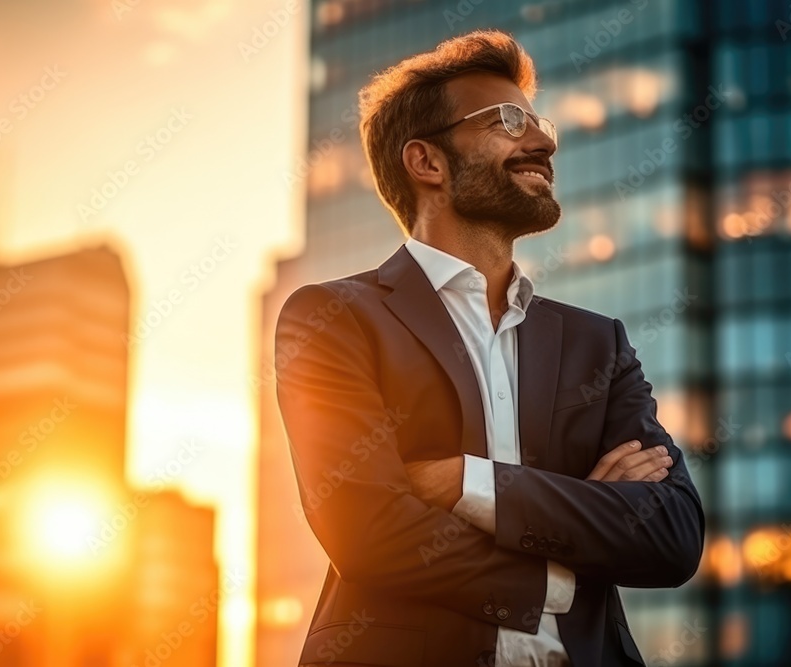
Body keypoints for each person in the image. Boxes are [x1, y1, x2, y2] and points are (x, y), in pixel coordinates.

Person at [275, 29, 705, 667]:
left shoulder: (597, 343)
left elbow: (672, 535)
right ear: (427, 163)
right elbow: (367, 531)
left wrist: (464, 482)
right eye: (507, 121)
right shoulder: (333, 319)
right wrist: (573, 545)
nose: (544, 142)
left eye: (539, 123)